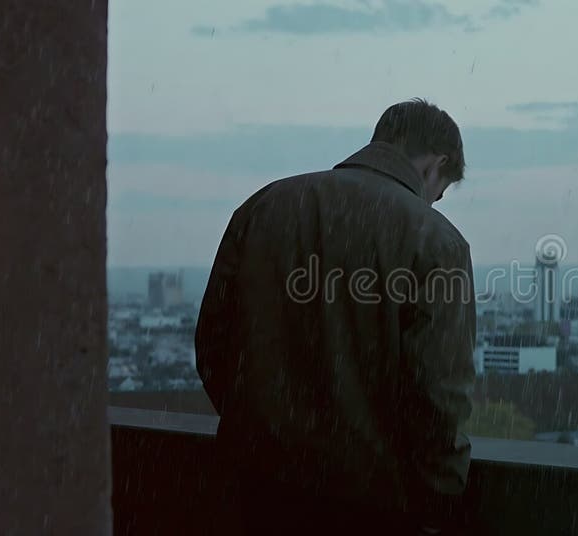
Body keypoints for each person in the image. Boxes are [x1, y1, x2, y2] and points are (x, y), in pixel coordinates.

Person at [195, 99, 476, 534]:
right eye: (437, 194)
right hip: (370, 501)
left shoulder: (265, 206)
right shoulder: (435, 241)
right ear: (435, 164)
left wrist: (258, 429)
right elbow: (439, 391)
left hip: (256, 488)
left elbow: (213, 343)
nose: (432, 205)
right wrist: (439, 494)